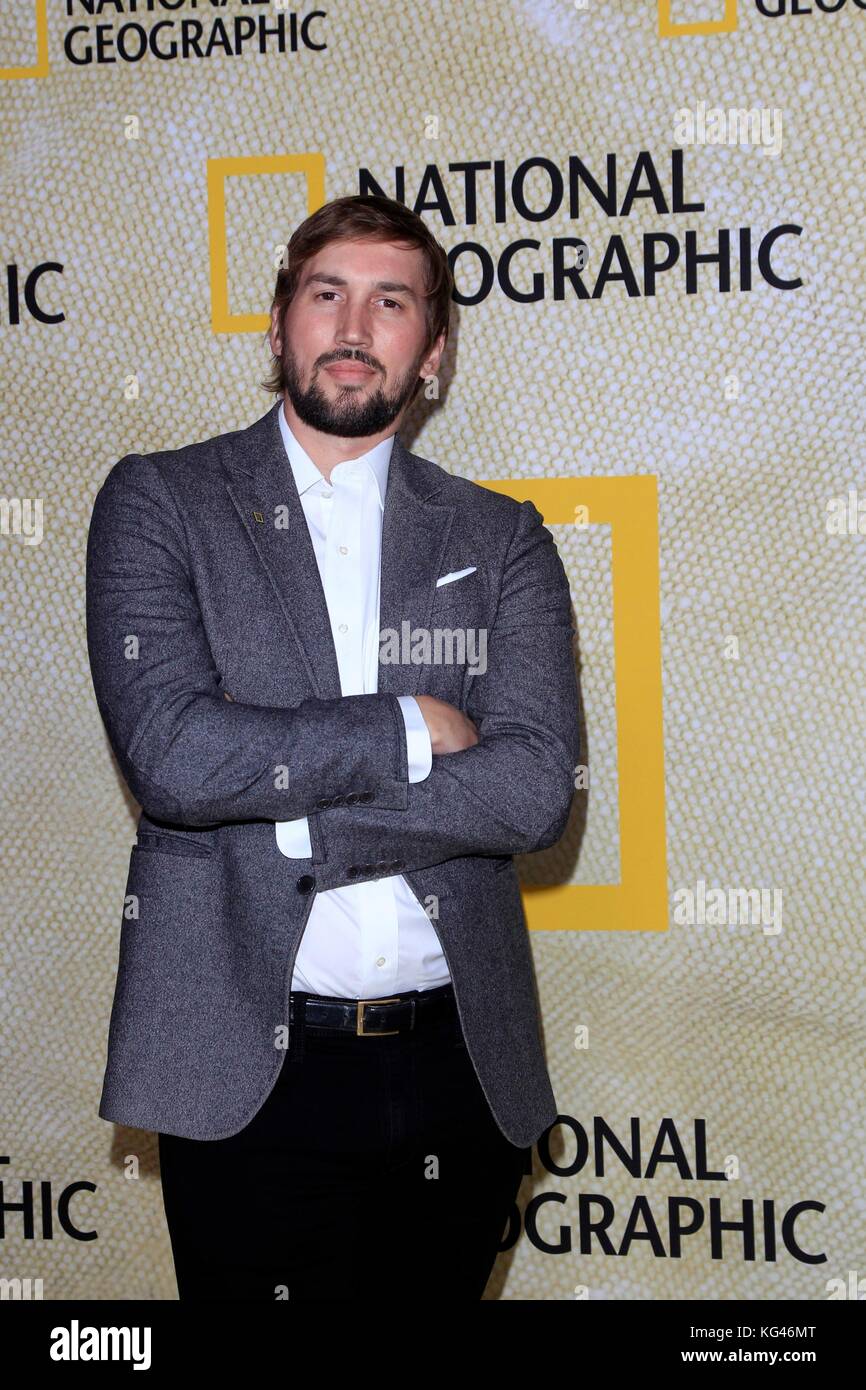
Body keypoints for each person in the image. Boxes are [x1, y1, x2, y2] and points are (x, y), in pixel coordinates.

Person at [85, 192, 580, 1301]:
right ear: (276, 326)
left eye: (391, 301)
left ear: (433, 351)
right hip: (246, 1070)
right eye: (326, 293)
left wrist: (289, 808)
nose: (354, 325)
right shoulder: (160, 501)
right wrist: (408, 727)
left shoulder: (500, 538)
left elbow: (534, 785)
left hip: (455, 1065)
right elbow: (171, 754)